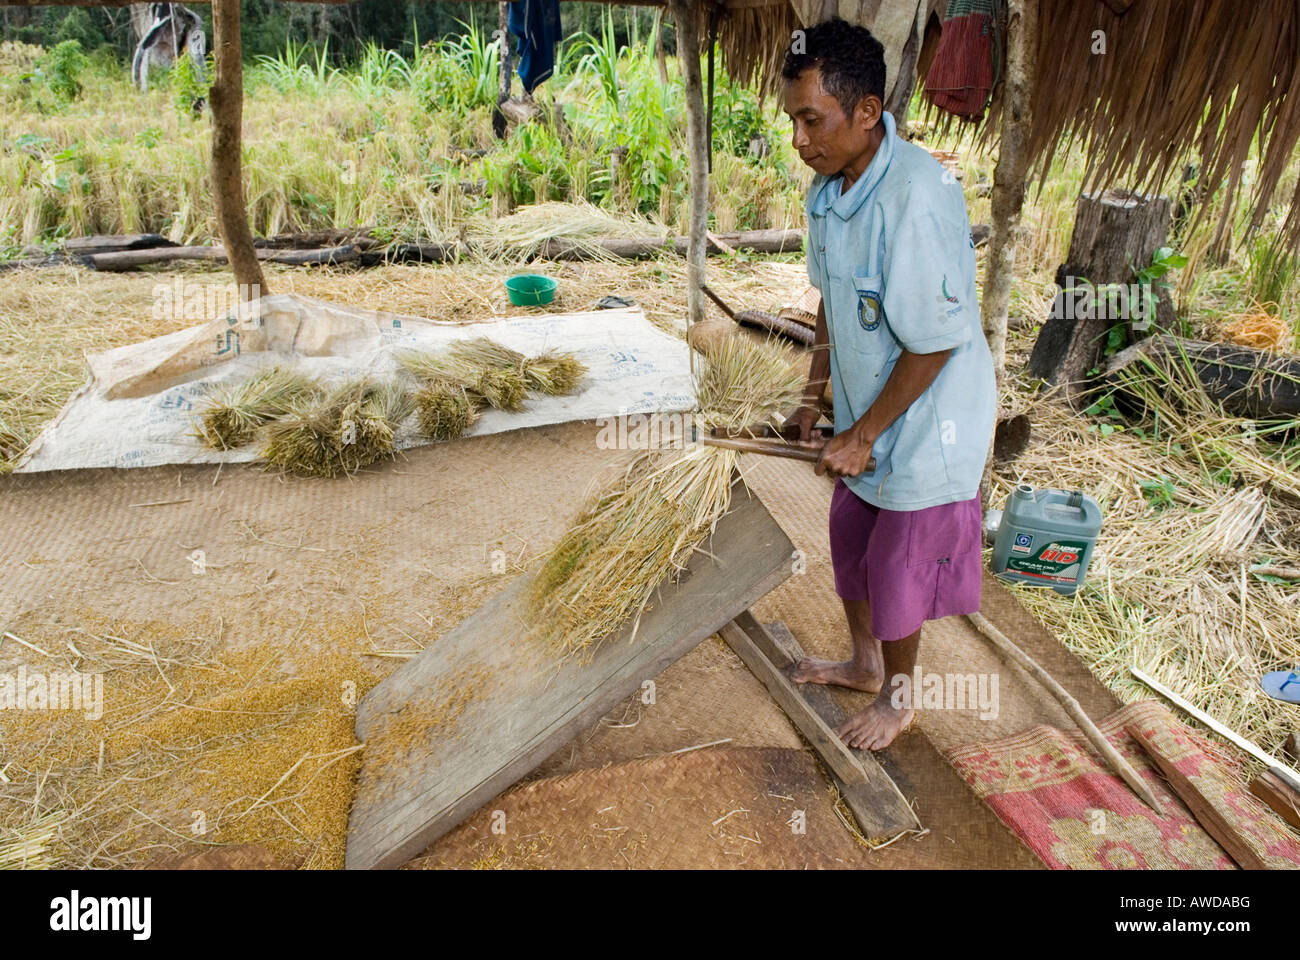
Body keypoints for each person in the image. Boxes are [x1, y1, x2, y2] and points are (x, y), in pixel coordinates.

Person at [780, 18, 996, 751]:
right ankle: (864, 663)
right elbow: (831, 305)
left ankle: (900, 699)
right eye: (794, 122)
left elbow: (936, 343)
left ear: (867, 112)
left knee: (901, 566)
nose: (800, 140)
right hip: (872, 411)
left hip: (933, 418)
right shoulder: (831, 188)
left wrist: (863, 433)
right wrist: (815, 402)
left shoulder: (919, 198)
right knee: (851, 536)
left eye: (813, 120)